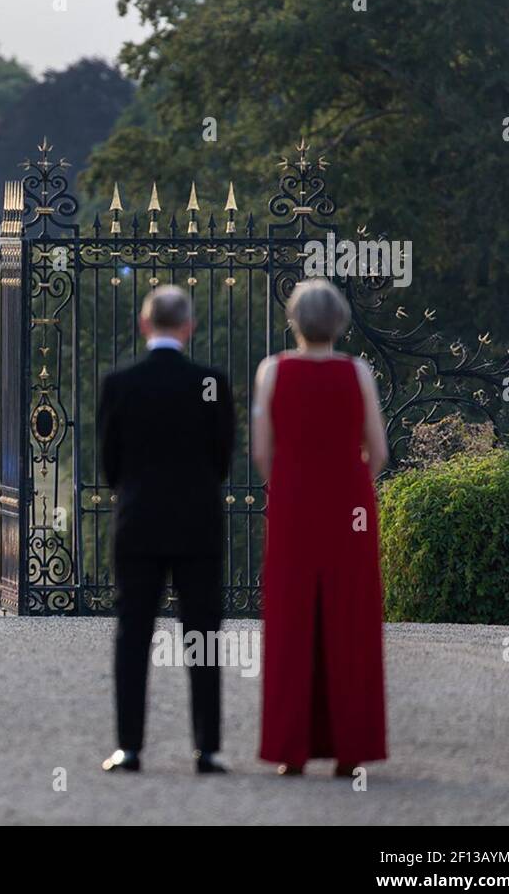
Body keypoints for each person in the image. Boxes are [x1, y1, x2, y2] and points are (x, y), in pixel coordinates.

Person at [252, 278, 388, 777]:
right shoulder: (358, 372)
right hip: (349, 507)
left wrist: (292, 486)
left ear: (294, 320)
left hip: (293, 503)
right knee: (349, 620)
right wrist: (348, 486)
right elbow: (378, 451)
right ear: (340, 322)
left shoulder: (273, 371)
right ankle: (351, 749)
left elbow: (263, 452)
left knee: (292, 622)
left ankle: (292, 749)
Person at [97, 285, 235, 774]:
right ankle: (208, 747)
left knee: (133, 635)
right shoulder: (211, 382)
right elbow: (222, 459)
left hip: (138, 521)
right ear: (189, 326)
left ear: (143, 324)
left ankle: (129, 746)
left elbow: (109, 464)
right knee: (203, 636)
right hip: (197, 520)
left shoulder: (120, 383)